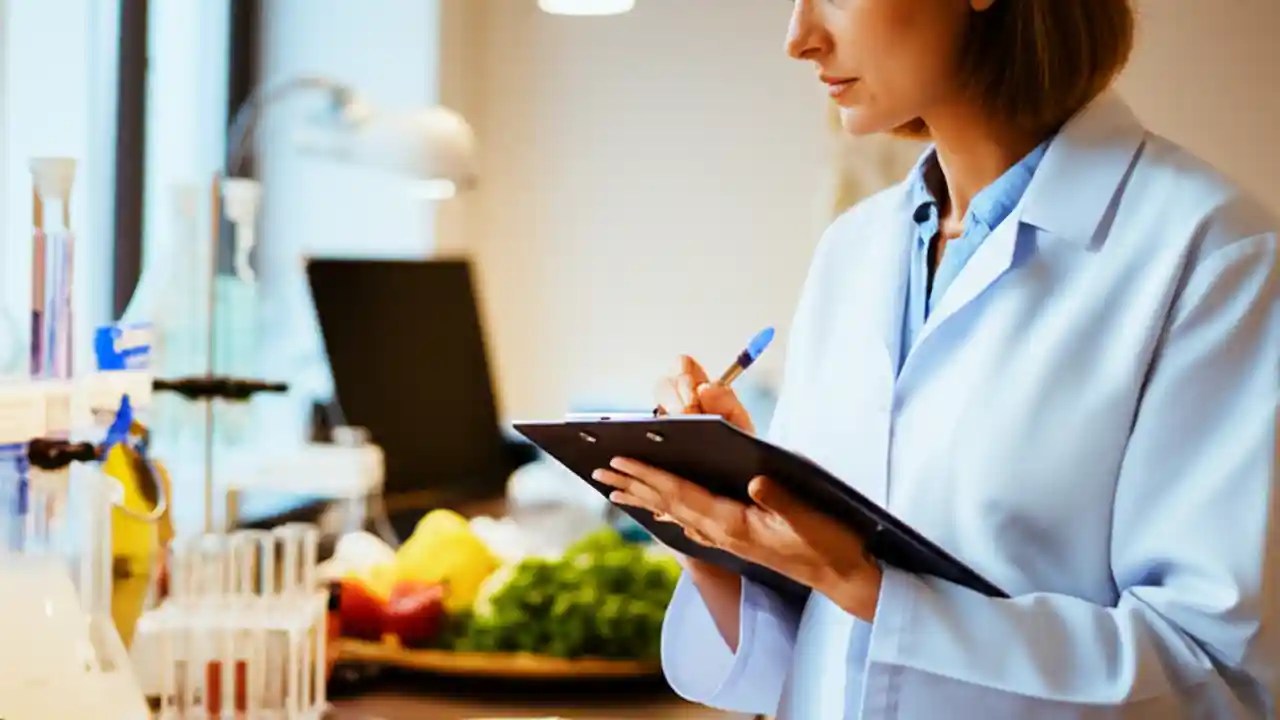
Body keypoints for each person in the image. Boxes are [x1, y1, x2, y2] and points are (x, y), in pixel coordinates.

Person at [590, 0, 1279, 717]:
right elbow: (818, 667)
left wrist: (870, 588)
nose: (799, 39)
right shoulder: (855, 250)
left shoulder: (1212, 255)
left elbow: (1214, 682)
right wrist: (720, 535)